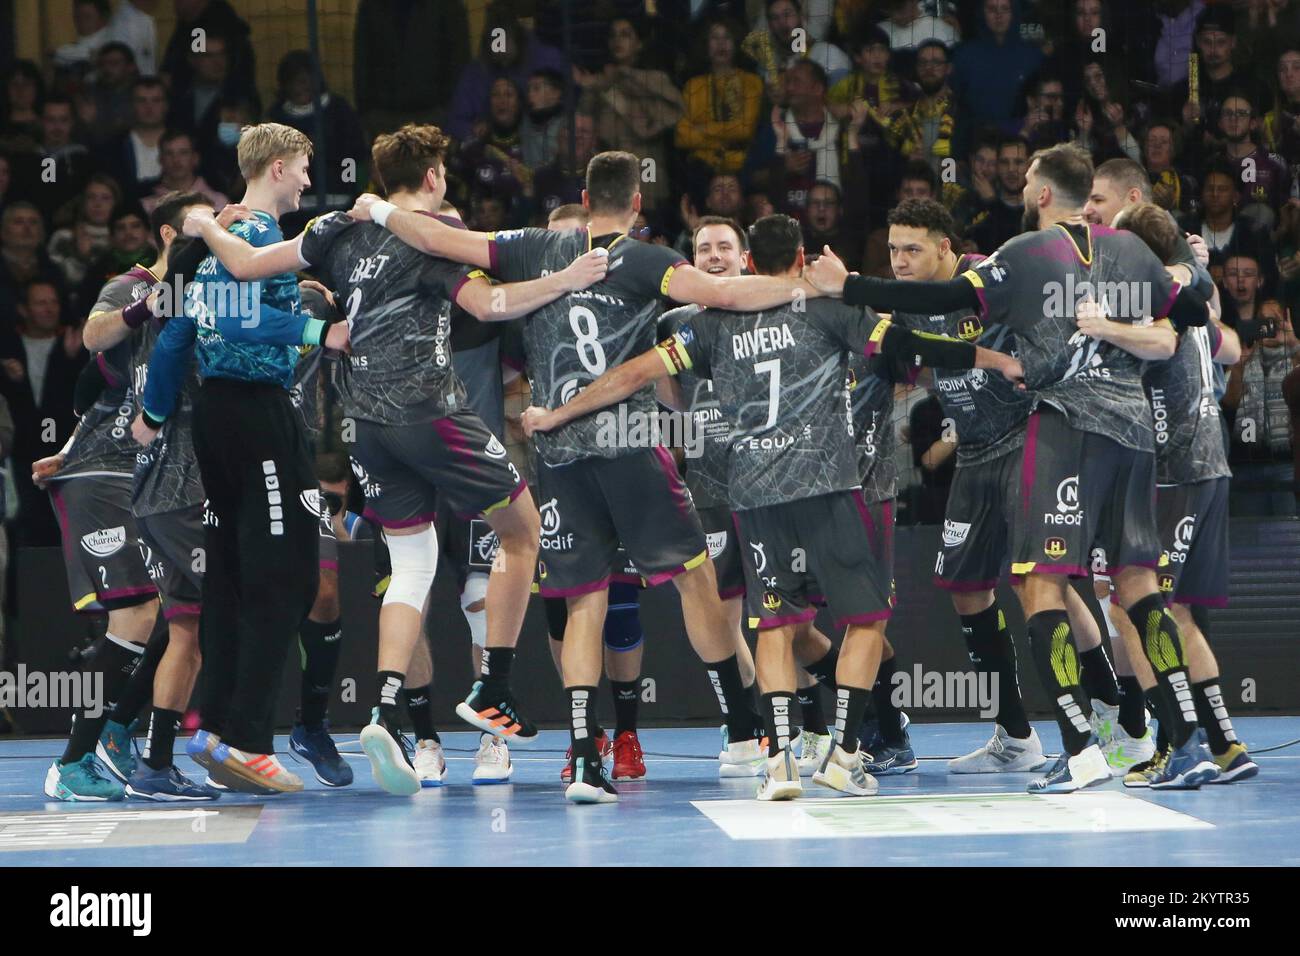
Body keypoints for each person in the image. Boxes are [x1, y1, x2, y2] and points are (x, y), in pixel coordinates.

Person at [351, 149, 839, 803]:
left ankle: (584, 759)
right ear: (637, 204)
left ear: (585, 194)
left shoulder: (532, 248)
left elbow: (436, 236)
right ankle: (748, 732)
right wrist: (814, 288)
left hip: (558, 454)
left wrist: (379, 206)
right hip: (630, 443)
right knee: (695, 581)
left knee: (584, 602)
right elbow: (726, 293)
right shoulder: (646, 260)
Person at [523, 213, 1021, 799]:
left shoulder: (708, 325)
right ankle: (844, 754)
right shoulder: (833, 308)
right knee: (865, 622)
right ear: (805, 256)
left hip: (754, 494)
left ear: (749, 264)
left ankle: (779, 759)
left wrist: (557, 413)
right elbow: (911, 346)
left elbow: (635, 371)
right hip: (828, 485)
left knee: (775, 625)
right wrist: (994, 360)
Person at [181, 125, 606, 794]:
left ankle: (382, 709)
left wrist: (205, 220)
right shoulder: (428, 233)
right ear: (433, 179)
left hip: (365, 426)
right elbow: (491, 303)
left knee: (410, 565)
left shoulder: (335, 232)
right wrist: (565, 279)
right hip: (430, 412)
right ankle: (494, 686)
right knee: (521, 534)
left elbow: (244, 267)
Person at [805, 142, 1223, 792]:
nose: (1023, 184)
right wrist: (1190, 270)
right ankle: (1172, 739)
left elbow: (949, 297)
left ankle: (1092, 737)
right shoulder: (1126, 252)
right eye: (893, 253)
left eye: (1029, 177)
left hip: (1050, 431)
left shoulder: (1022, 257)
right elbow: (1193, 312)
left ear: (1044, 193)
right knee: (1125, 586)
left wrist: (848, 286)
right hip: (1106, 432)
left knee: (1043, 585)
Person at [134, 124, 349, 794]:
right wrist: (319, 330)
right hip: (257, 417)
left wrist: (156, 413)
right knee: (286, 576)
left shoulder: (214, 246)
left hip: (218, 421)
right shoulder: (252, 236)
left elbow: (176, 340)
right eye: (305, 170)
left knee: (228, 581)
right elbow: (231, 323)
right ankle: (250, 740)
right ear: (279, 168)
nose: (309, 182)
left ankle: (221, 733)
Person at [1113, 200, 1258, 785]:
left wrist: (1096, 326)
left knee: (1147, 608)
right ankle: (1221, 743)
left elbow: (1165, 346)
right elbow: (1229, 348)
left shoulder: (1157, 300)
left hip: (1179, 469)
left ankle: (1186, 742)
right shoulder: (1187, 296)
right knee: (1176, 610)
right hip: (1208, 465)